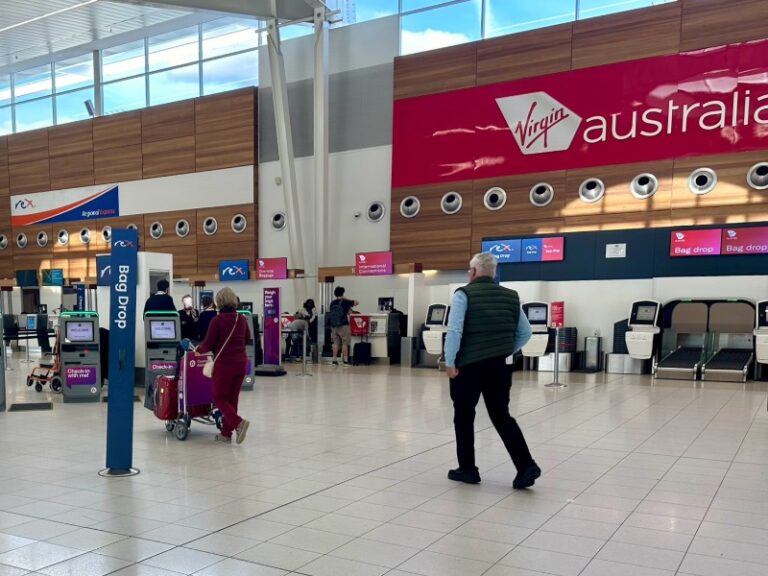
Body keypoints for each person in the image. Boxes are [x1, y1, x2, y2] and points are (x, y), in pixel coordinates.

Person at [444, 252, 540, 489]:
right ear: (493, 272)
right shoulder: (511, 296)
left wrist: (450, 362)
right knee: (501, 415)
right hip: (500, 367)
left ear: (474, 272)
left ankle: (468, 469)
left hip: (468, 367)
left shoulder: (463, 294)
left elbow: (454, 330)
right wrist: (505, 351)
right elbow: (525, 333)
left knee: (464, 416)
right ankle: (526, 465)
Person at [196, 287, 251, 444]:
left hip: (225, 365)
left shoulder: (217, 321)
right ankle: (226, 434)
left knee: (219, 397)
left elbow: (207, 344)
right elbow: (246, 339)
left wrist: (197, 350)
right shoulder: (241, 319)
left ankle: (239, 423)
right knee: (232, 399)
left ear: (219, 302)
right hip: (241, 363)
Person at [328, 287, 358, 366]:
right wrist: (346, 298)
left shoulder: (332, 303)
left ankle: (334, 361)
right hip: (343, 324)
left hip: (334, 325)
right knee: (345, 343)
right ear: (343, 293)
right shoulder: (345, 302)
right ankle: (345, 361)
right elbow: (357, 302)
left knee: (335, 343)